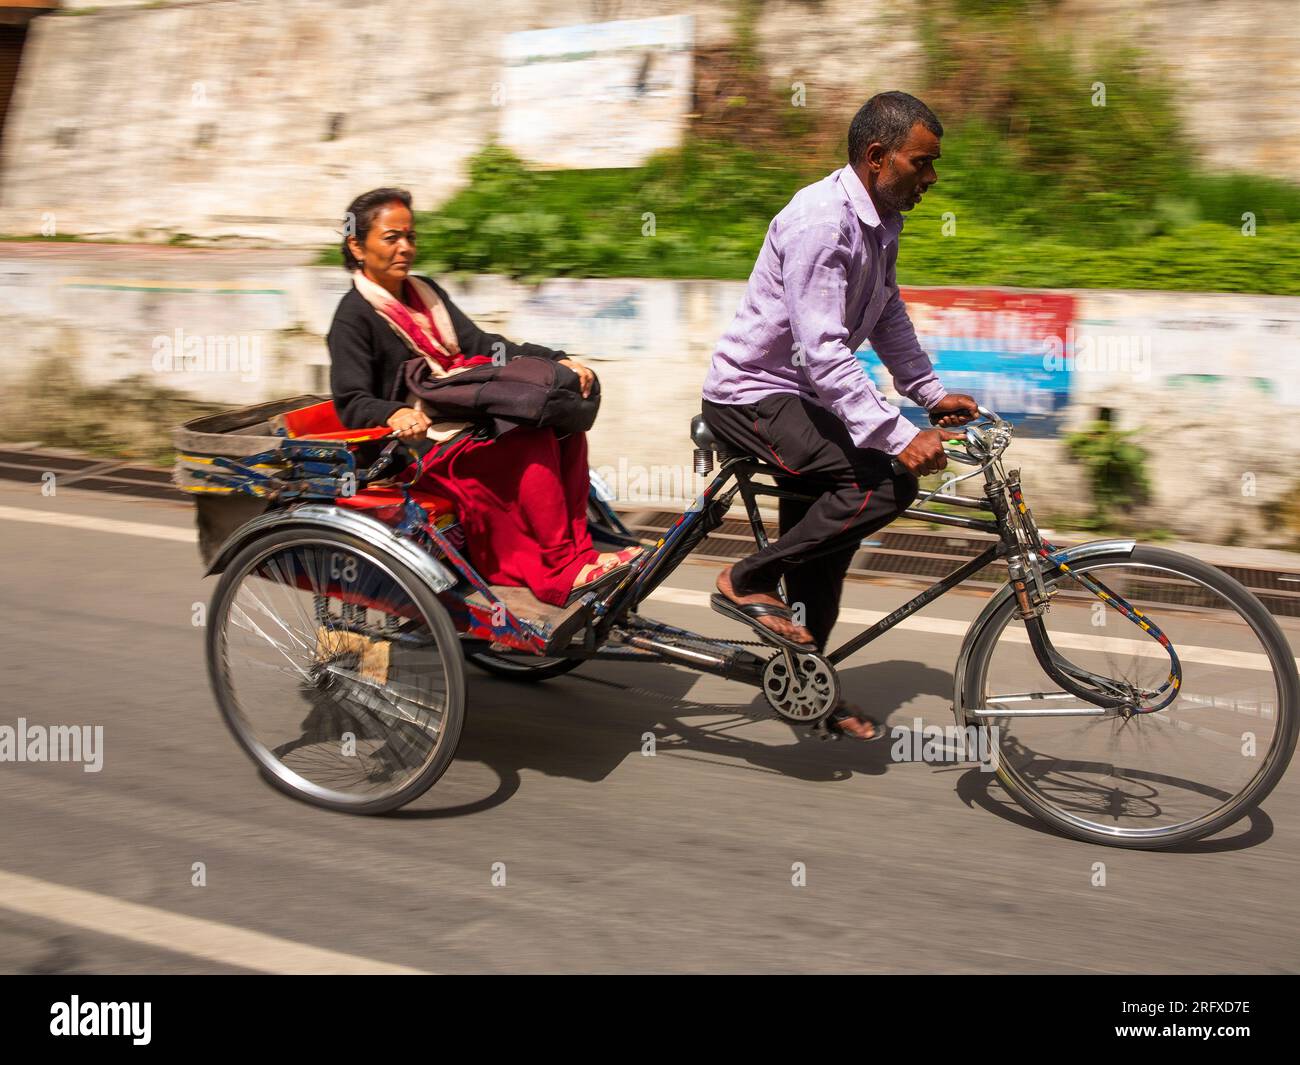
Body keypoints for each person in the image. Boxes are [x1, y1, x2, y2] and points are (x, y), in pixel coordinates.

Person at [700, 91, 979, 739]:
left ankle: (806, 688)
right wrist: (897, 434)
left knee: (826, 553)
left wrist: (929, 392)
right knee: (885, 483)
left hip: (804, 400)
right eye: (922, 164)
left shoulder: (879, 219)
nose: (931, 179)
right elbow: (822, 348)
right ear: (878, 158)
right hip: (752, 395)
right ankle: (746, 576)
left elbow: (885, 312)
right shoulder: (821, 224)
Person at [327, 187, 640, 607]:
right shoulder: (353, 317)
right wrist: (397, 412)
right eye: (391, 238)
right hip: (405, 452)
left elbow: (482, 342)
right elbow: (351, 400)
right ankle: (557, 572)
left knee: (562, 429)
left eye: (411, 237)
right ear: (356, 245)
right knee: (527, 441)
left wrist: (559, 360)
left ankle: (578, 557)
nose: (405, 248)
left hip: (453, 425)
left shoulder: (426, 293)